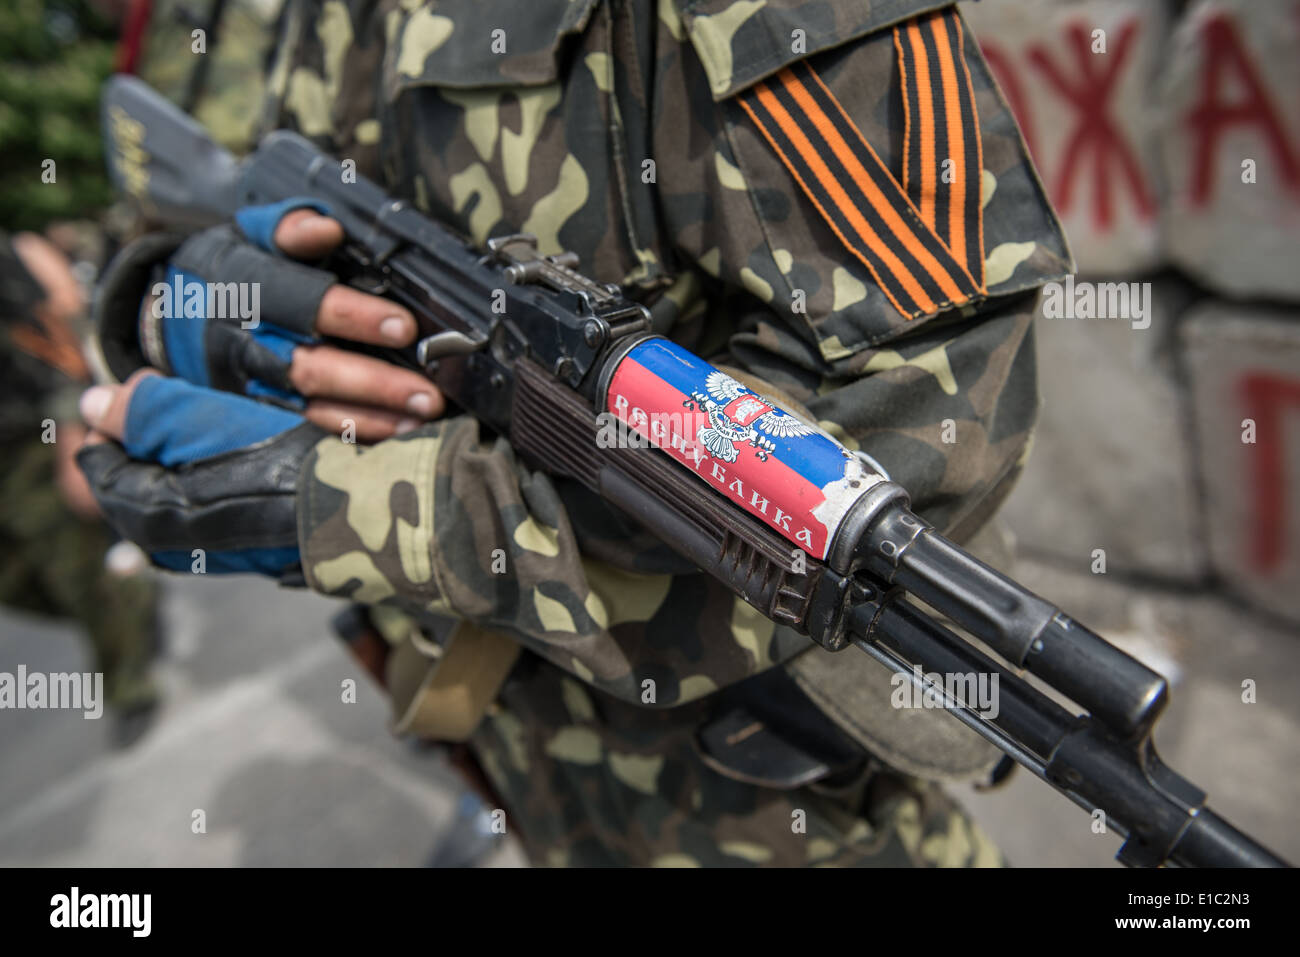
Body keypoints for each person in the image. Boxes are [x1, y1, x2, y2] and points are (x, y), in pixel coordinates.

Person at [79, 0, 1072, 866]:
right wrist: (188, 303)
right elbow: (196, 198)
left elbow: (923, 413)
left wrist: (357, 515)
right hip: (513, 752)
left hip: (758, 798)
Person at [0, 230, 160, 720]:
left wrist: (69, 433)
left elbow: (51, 332)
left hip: (28, 441)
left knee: (73, 570)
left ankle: (128, 686)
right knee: (14, 585)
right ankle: (131, 594)